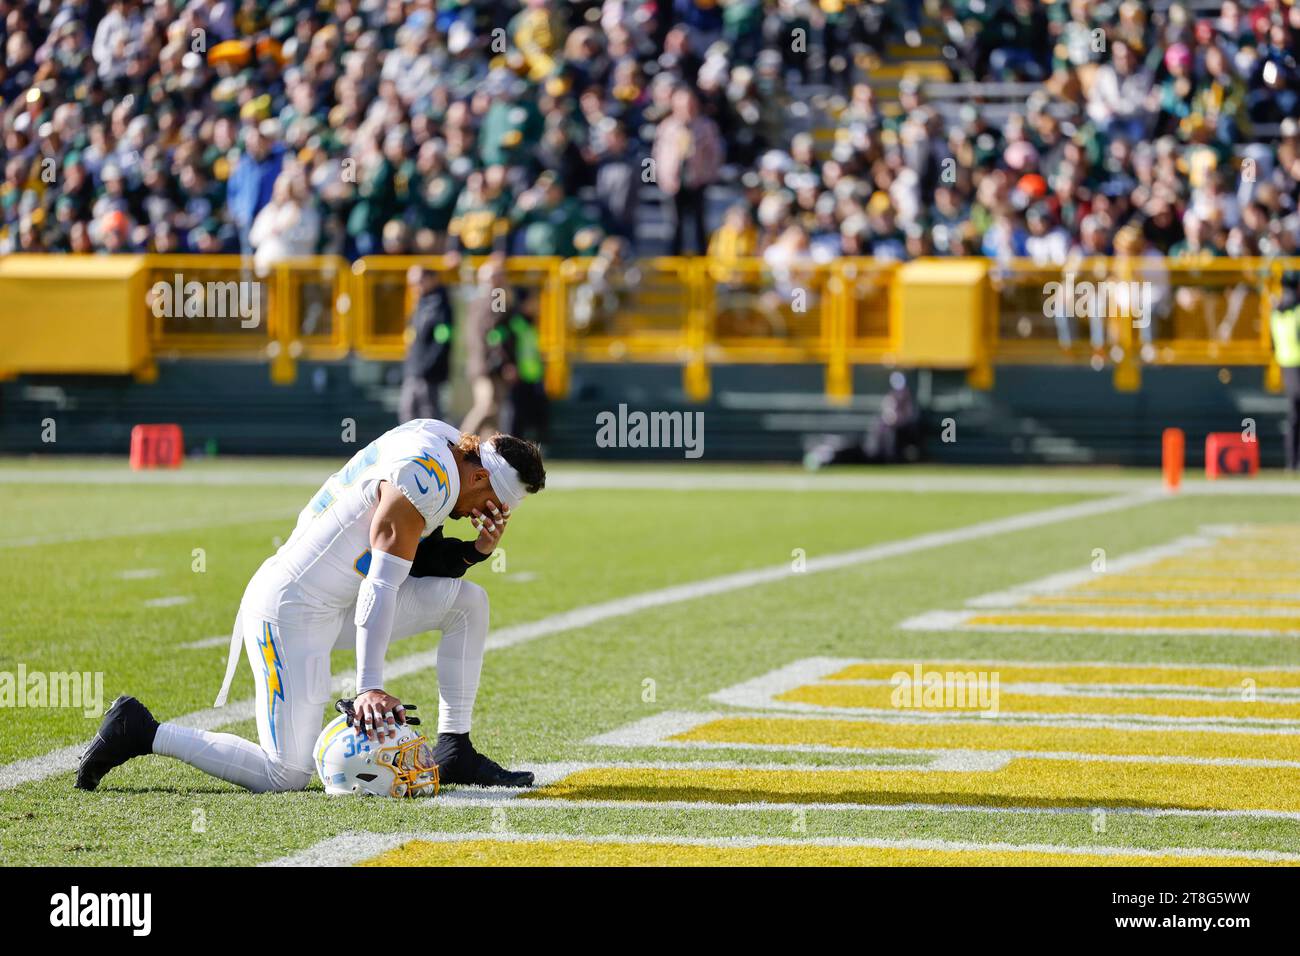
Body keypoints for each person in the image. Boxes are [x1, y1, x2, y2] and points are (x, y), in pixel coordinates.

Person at [75, 421, 547, 793]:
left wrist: (475, 551)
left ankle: (455, 750)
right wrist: (368, 687)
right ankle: (141, 730)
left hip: (336, 599)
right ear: (481, 473)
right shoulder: (428, 481)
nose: (485, 512)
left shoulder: (445, 444)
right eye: (490, 501)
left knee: (468, 603)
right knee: (284, 774)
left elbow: (413, 559)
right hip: (291, 610)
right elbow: (381, 585)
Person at [651, 86, 723, 255]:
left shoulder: (706, 126)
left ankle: (701, 259)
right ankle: (672, 260)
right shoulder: (666, 127)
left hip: (698, 180)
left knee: (699, 223)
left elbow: (716, 154)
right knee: (673, 225)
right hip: (673, 182)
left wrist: (708, 174)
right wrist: (658, 178)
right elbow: (656, 155)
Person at [399, 266, 454, 423]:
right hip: (414, 370)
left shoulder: (440, 305)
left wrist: (428, 365)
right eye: (412, 283)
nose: (416, 287)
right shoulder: (420, 304)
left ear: (432, 279)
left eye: (419, 281)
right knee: (408, 412)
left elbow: (442, 339)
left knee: (429, 416)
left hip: (429, 373)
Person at [1271, 276, 1300, 472]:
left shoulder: (1276, 312)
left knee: (1294, 416)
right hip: (1297, 365)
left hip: (1285, 365)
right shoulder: (1296, 310)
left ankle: (1292, 461)